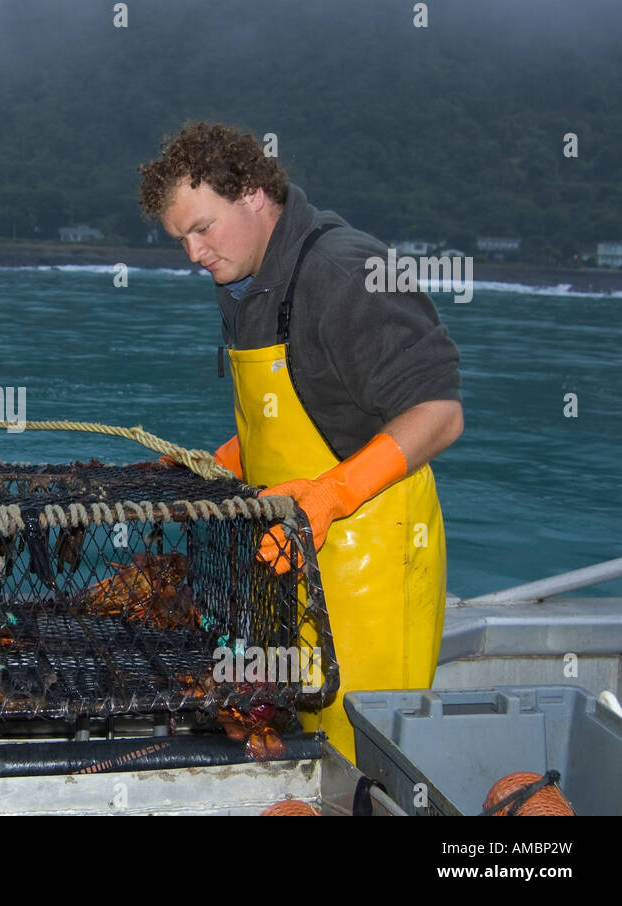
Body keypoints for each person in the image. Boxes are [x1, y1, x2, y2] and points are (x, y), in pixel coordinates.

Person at [139, 122, 463, 759]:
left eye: (203, 228)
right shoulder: (246, 282)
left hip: (372, 564)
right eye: (180, 239)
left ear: (254, 192)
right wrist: (215, 462)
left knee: (359, 763)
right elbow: (302, 406)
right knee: (290, 745)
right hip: (290, 561)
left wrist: (328, 497)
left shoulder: (348, 271)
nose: (194, 254)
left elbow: (439, 413)